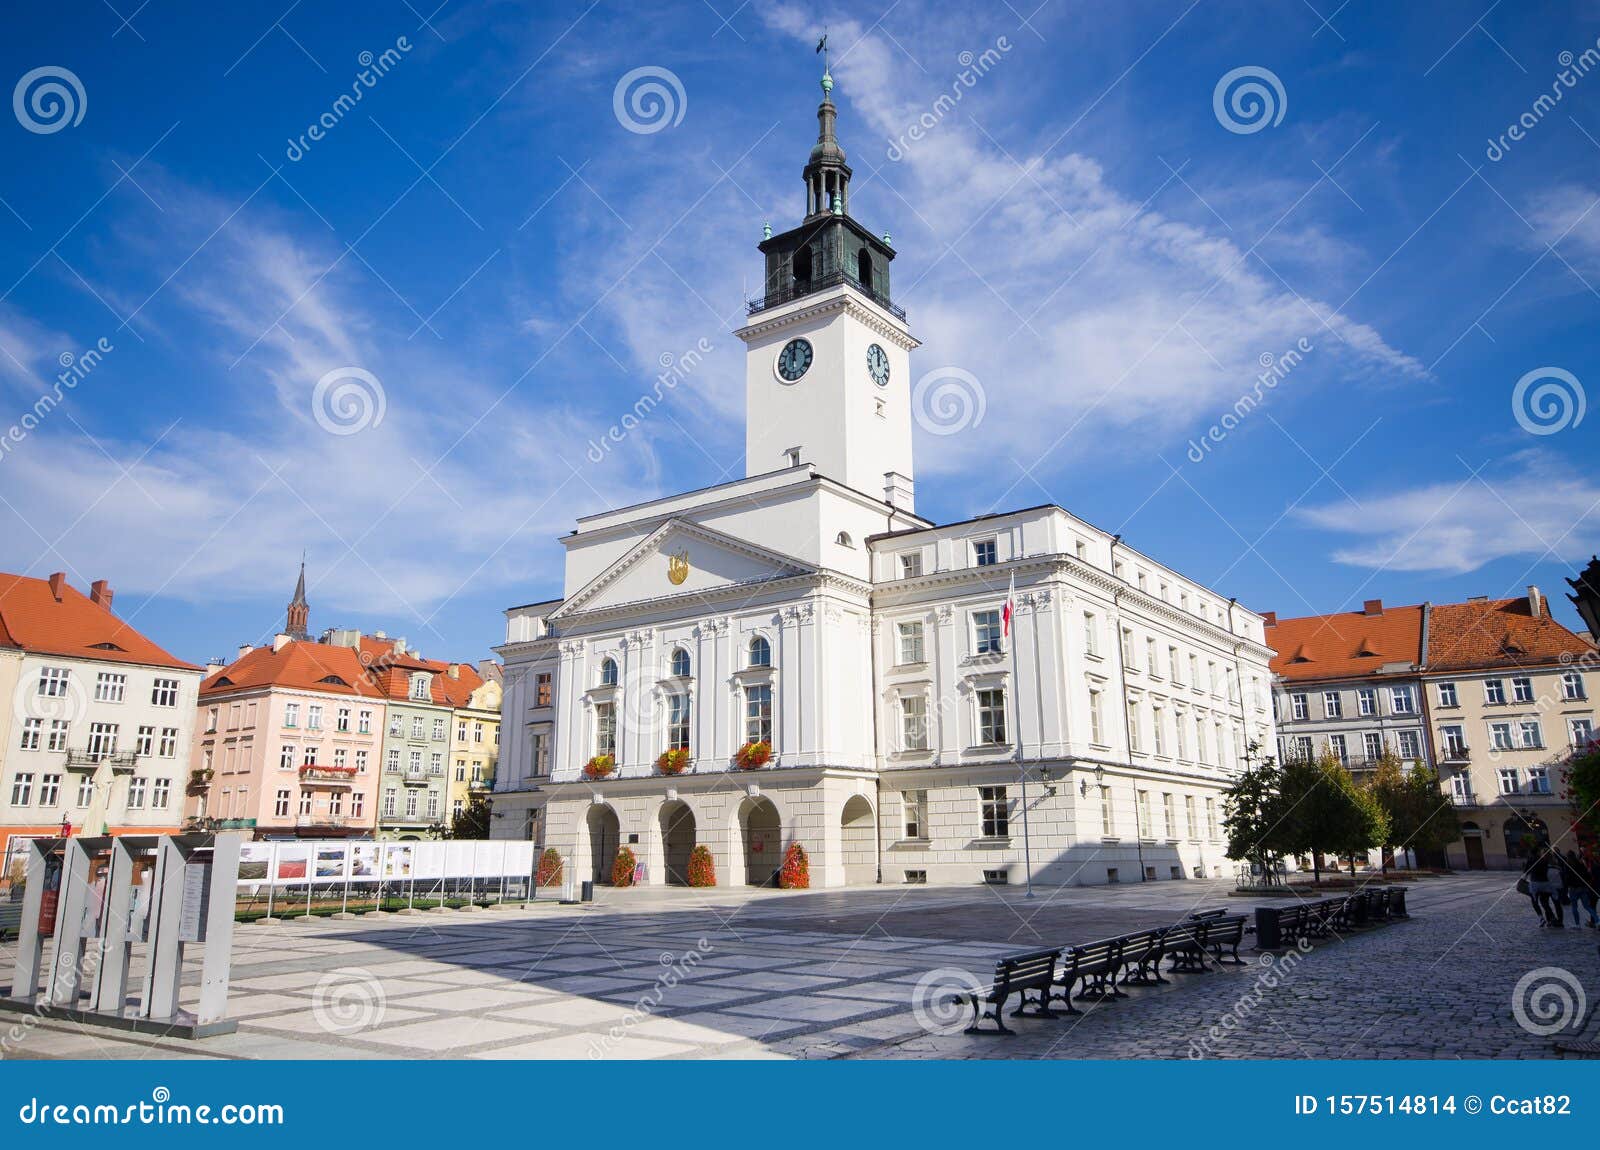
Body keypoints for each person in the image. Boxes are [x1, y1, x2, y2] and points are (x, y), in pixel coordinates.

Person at [1523, 847, 1562, 927]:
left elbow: (1526, 871)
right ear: (1537, 852)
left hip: (1535, 883)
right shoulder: (1543, 860)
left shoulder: (1530, 860)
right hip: (1545, 883)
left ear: (1530, 853)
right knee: (1545, 902)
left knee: (1535, 901)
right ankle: (1553, 919)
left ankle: (1542, 918)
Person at [1564, 849, 1599, 929]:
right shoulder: (1580, 864)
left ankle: (1577, 924)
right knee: (1587, 906)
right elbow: (1587, 875)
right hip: (1583, 887)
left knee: (1574, 907)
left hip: (1573, 888)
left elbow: (1566, 878)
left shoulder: (1568, 865)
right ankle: (1597, 921)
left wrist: (1567, 885)